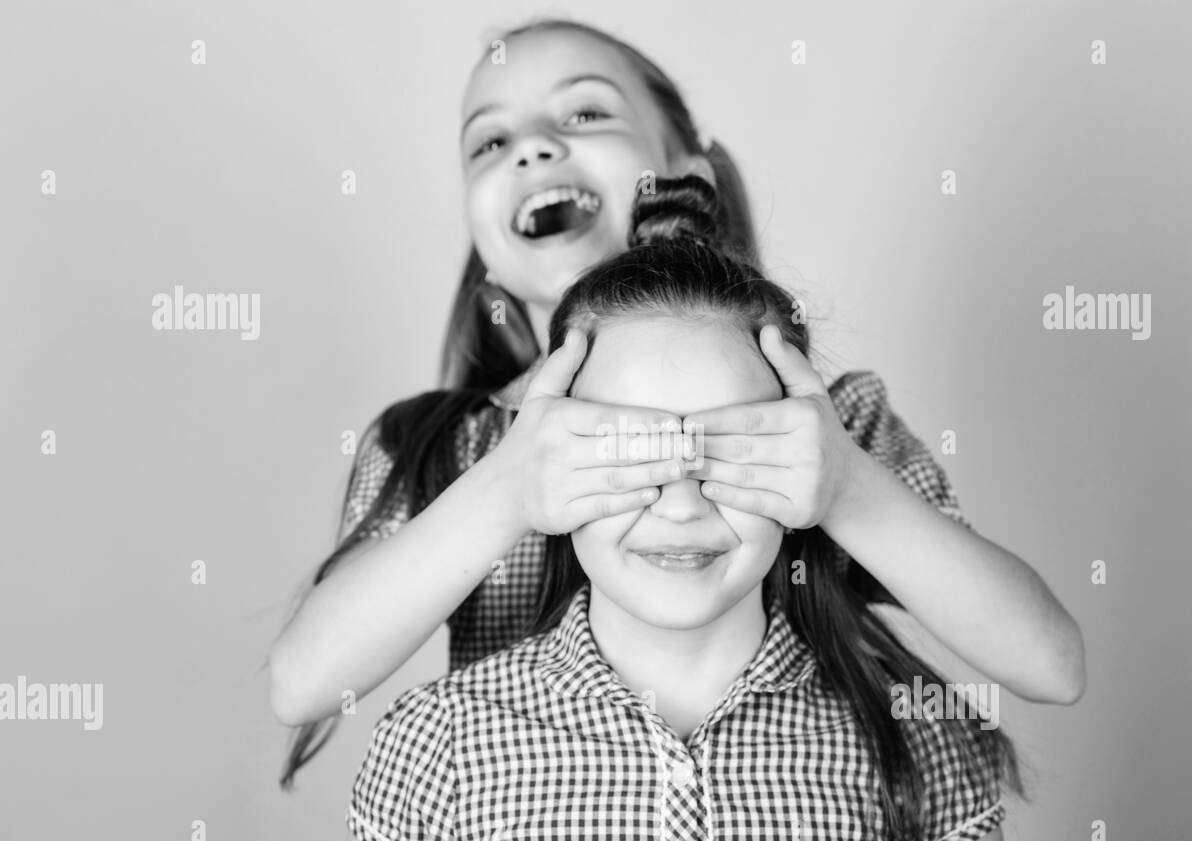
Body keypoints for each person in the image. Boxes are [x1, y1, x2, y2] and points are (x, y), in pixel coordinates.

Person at [270, 19, 1084, 789]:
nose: (533, 149)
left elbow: (1049, 664)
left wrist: (845, 486)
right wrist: (506, 490)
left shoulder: (827, 427)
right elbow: (302, 684)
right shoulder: (440, 445)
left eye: (585, 110)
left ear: (690, 179)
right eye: (491, 141)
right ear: (482, 250)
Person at [344, 177, 1024, 841]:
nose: (680, 504)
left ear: (809, 461)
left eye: (733, 447)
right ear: (546, 461)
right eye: (625, 449)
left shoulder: (924, 741)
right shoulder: (434, 744)